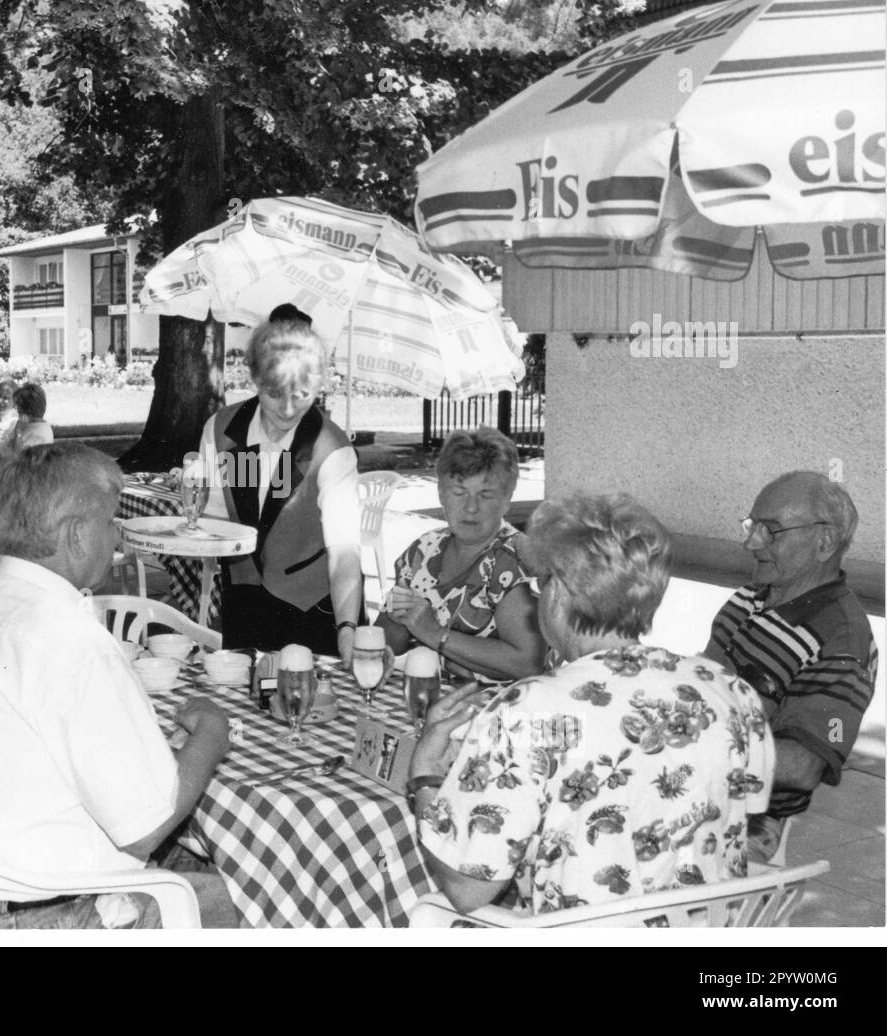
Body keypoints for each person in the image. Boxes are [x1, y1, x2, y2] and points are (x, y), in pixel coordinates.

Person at [0, 443, 238, 929]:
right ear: (77, 534)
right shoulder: (70, 641)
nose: (120, 539)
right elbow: (146, 830)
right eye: (113, 522)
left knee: (216, 862)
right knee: (263, 898)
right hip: (50, 912)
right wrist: (211, 734)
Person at [408, 494, 774, 917]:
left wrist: (425, 777)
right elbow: (744, 812)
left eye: (539, 583)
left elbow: (468, 889)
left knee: (424, 914)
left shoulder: (529, 710)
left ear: (558, 593)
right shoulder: (730, 690)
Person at [704, 472, 878, 861]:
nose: (750, 542)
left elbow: (803, 765)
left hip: (743, 825)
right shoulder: (750, 597)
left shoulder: (842, 641)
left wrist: (686, 741)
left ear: (825, 541)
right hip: (695, 788)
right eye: (752, 525)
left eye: (771, 531)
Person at [197, 319, 363, 661]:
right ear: (255, 380)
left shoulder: (330, 448)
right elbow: (221, 517)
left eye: (301, 396)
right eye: (274, 394)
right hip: (246, 598)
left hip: (314, 607)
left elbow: (344, 552)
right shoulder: (225, 431)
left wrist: (347, 629)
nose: (288, 410)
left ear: (318, 386)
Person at [379, 427, 546, 686]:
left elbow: (527, 663)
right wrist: (396, 624)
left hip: (500, 709)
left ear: (506, 499)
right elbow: (389, 640)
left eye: (485, 494)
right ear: (441, 495)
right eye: (459, 492)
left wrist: (435, 633)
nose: (471, 507)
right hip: (431, 696)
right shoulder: (424, 550)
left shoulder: (516, 560)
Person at [0, 382, 54, 462]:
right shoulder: (28, 425)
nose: (16, 410)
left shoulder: (40, 435)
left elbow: (16, 460)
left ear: (28, 410)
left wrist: (19, 434)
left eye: (18, 407)